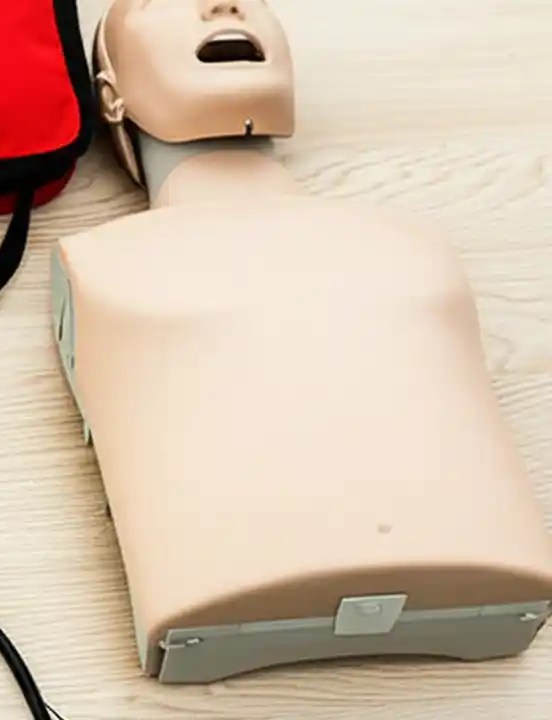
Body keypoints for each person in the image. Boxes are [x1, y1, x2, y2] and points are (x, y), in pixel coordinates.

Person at [52, 0, 552, 683]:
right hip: (212, 600)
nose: (223, 8)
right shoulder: (99, 268)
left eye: (249, 4)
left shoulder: (414, 243)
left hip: (486, 587)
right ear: (109, 96)